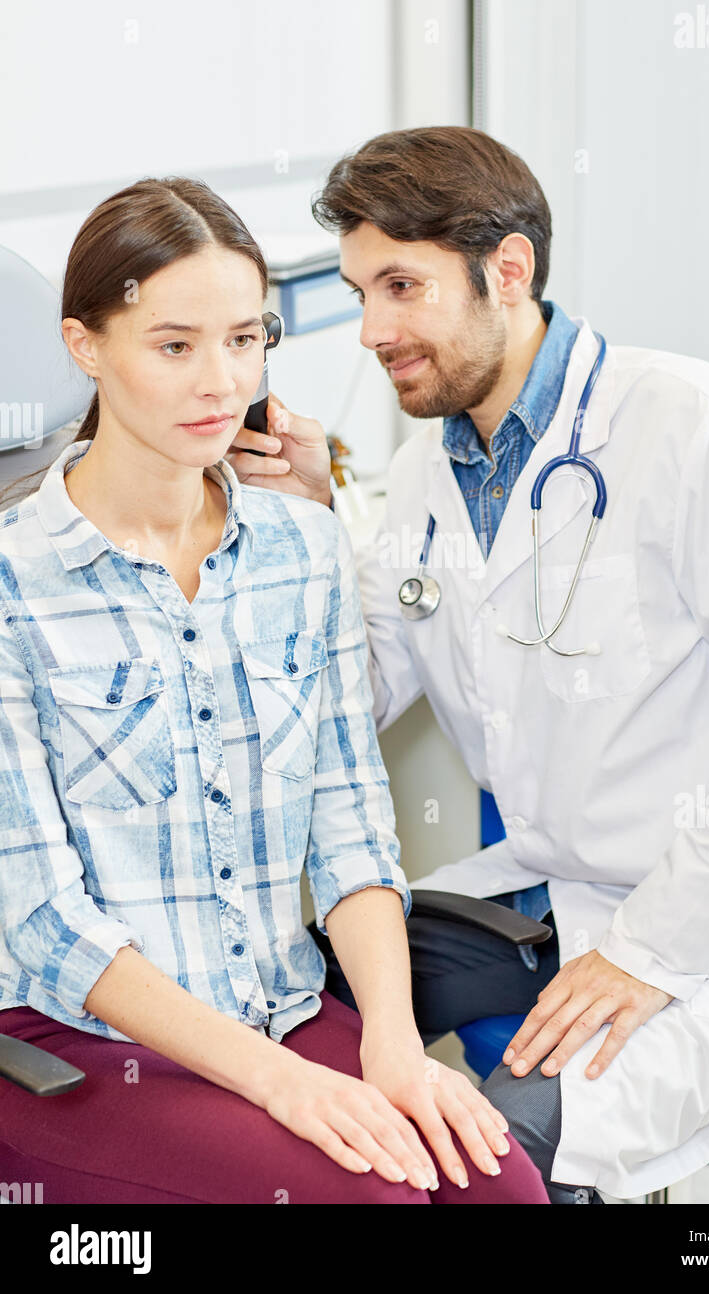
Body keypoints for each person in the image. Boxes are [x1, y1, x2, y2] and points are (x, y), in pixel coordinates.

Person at [226, 126, 709, 1204]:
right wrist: (306, 532)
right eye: (357, 291)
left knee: (489, 1158)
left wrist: (647, 953)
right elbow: (359, 689)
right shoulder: (435, 463)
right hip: (541, 887)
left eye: (400, 287)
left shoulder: (689, 423)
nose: (372, 331)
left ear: (506, 270)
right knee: (274, 1003)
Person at [0, 175, 550, 1205]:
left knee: (499, 1191)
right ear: (85, 346)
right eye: (175, 346)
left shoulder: (300, 548)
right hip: (82, 1046)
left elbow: (349, 827)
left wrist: (388, 1044)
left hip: (288, 1011)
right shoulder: (13, 585)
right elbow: (43, 920)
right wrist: (284, 1085)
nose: (220, 379)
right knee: (372, 1198)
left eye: (246, 340)